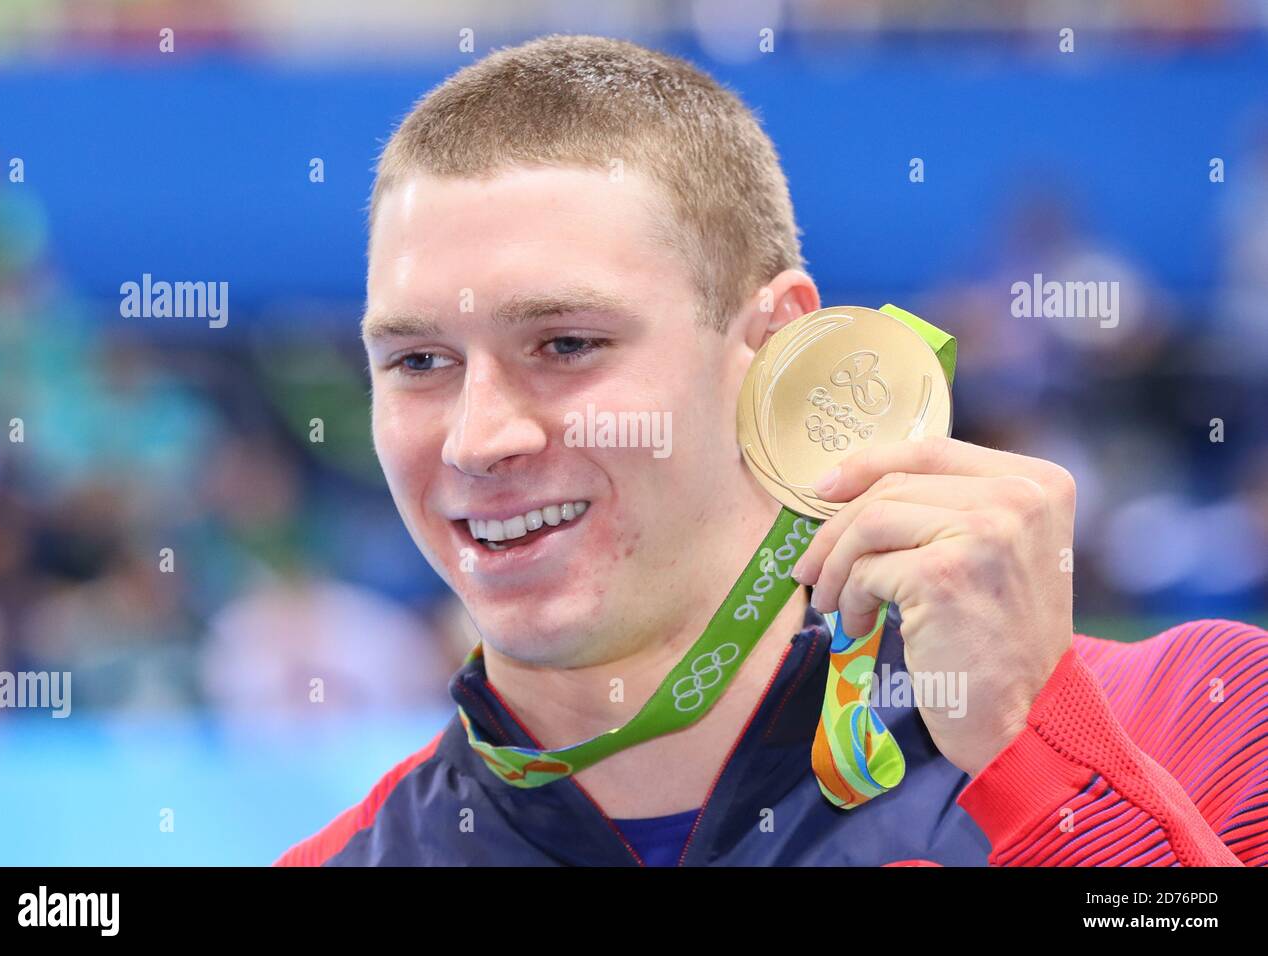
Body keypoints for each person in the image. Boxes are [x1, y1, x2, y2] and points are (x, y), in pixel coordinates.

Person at [276, 35, 1268, 866]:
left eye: (566, 344)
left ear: (769, 344)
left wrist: (1034, 756)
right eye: (416, 360)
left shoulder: (1202, 717)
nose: (480, 436)